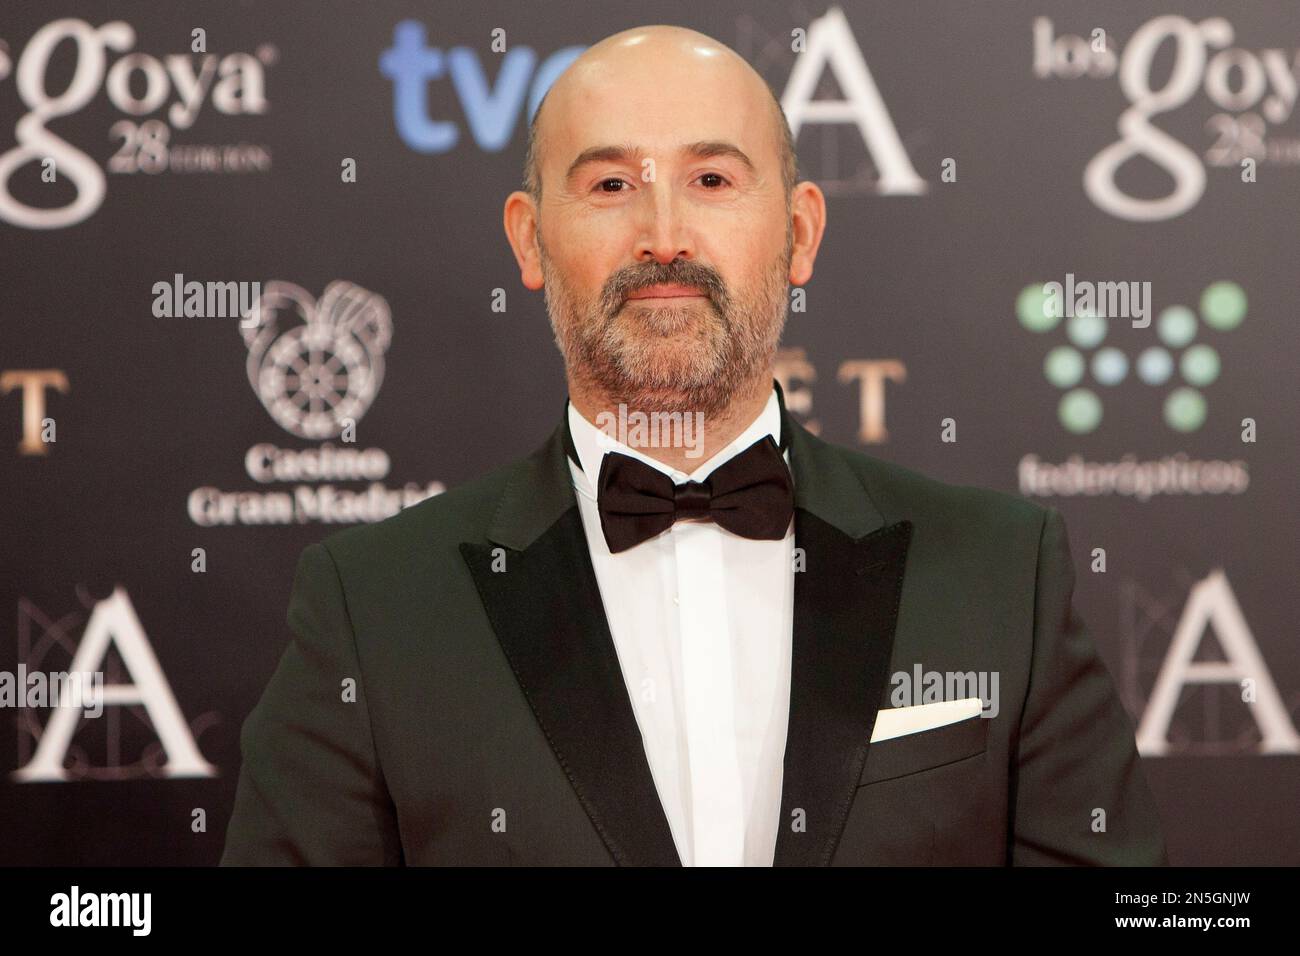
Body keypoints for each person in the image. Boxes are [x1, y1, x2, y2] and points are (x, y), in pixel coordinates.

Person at [221, 24, 1166, 866]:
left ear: (797, 233)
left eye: (711, 180)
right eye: (610, 185)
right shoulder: (373, 606)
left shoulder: (1004, 574)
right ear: (531, 241)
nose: (664, 236)